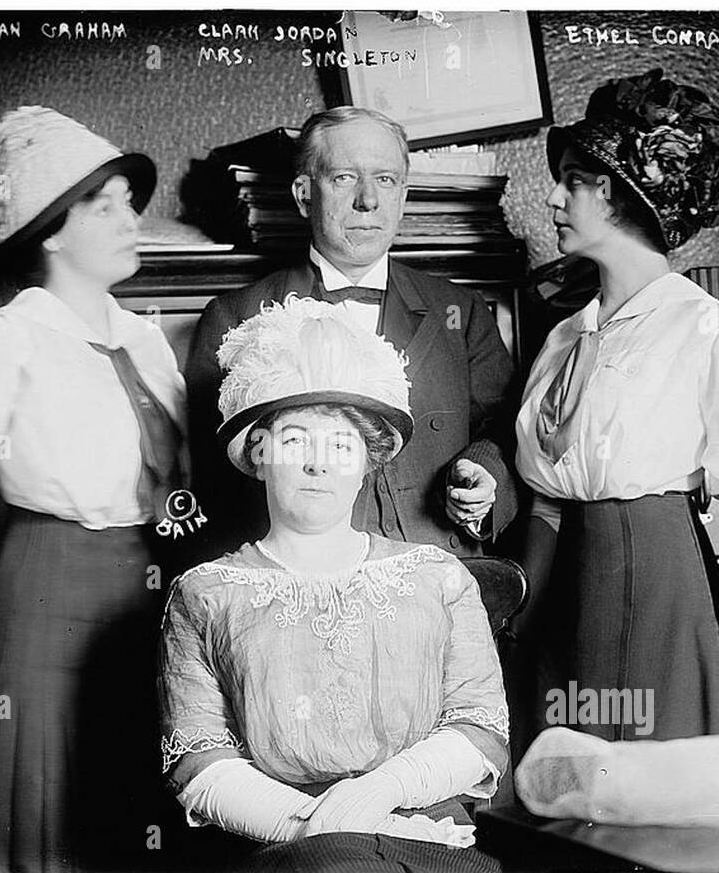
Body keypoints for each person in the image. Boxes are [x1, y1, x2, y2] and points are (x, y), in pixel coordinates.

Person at [0, 75, 185, 873]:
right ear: (51, 232)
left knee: (137, 826)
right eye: (107, 207)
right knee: (49, 846)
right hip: (38, 609)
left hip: (153, 601)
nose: (134, 221)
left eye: (131, 202)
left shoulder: (150, 341)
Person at [159, 296, 510, 873]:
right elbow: (199, 762)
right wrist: (316, 824)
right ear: (257, 455)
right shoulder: (205, 593)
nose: (319, 464)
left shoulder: (438, 576)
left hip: (431, 838)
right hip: (278, 849)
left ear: (369, 462)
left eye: (341, 446)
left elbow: (480, 729)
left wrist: (380, 795)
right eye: (295, 442)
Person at [513, 68, 719, 744]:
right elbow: (548, 500)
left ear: (609, 194)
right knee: (562, 802)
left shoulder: (710, 330)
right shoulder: (563, 335)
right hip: (562, 598)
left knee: (647, 800)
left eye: (571, 180)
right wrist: (513, 617)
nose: (552, 198)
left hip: (657, 583)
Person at [184, 106, 519, 565]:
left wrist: (483, 471)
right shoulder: (234, 316)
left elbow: (502, 428)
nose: (368, 201)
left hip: (438, 571)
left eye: (385, 180)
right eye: (344, 178)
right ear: (304, 195)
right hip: (299, 580)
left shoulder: (460, 311)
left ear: (403, 194)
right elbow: (210, 481)